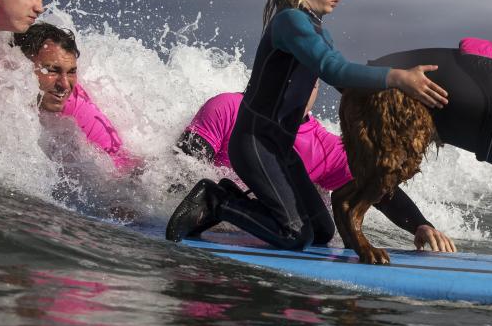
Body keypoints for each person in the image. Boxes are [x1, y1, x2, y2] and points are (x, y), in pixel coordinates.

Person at [166, 0, 449, 251]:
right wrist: (396, 76)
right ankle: (217, 200)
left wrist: (399, 111)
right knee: (295, 235)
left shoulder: (317, 32)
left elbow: (345, 83)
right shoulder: (290, 22)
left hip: (280, 148)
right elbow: (333, 69)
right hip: (256, 142)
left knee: (321, 231)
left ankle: (232, 200)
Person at [176, 90, 456, 251]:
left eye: (307, 84)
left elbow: (377, 188)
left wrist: (420, 224)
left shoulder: (322, 145)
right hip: (207, 212)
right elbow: (179, 162)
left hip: (264, 224)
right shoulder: (228, 106)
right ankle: (217, 202)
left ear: (316, 90)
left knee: (321, 232)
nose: (296, 90)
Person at [12, 22, 141, 172]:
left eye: (72, 72)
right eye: (52, 71)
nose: (65, 85)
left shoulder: (76, 107)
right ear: (22, 64)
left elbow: (122, 168)